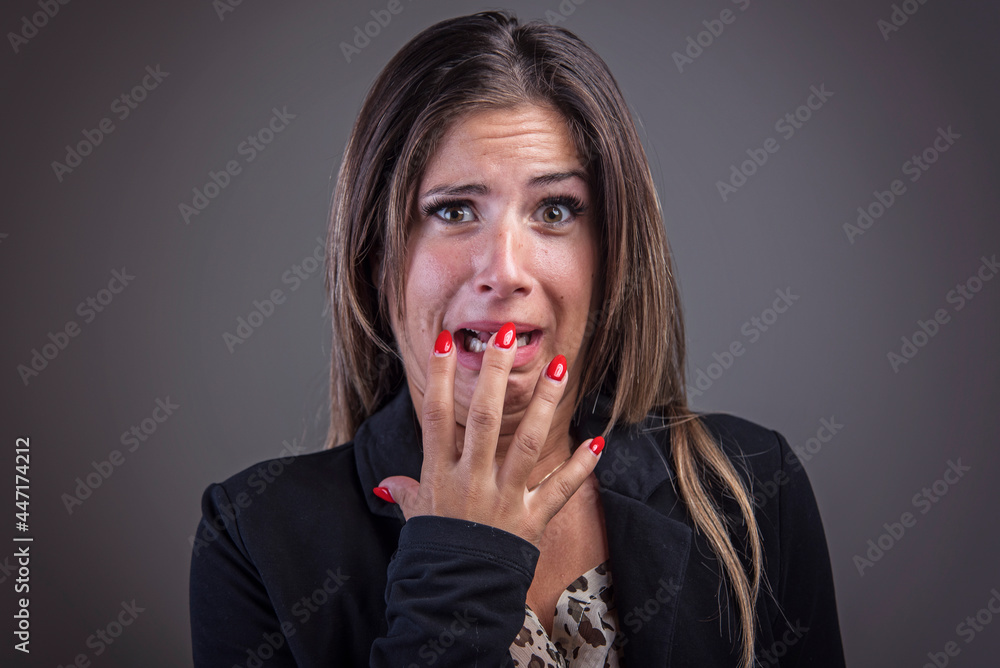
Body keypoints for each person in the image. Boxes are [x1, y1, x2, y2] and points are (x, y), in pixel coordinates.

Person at [189, 9, 846, 667]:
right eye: (452, 211)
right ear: (378, 260)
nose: (505, 271)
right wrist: (458, 570)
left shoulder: (751, 488)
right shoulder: (255, 536)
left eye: (554, 211)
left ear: (610, 254)